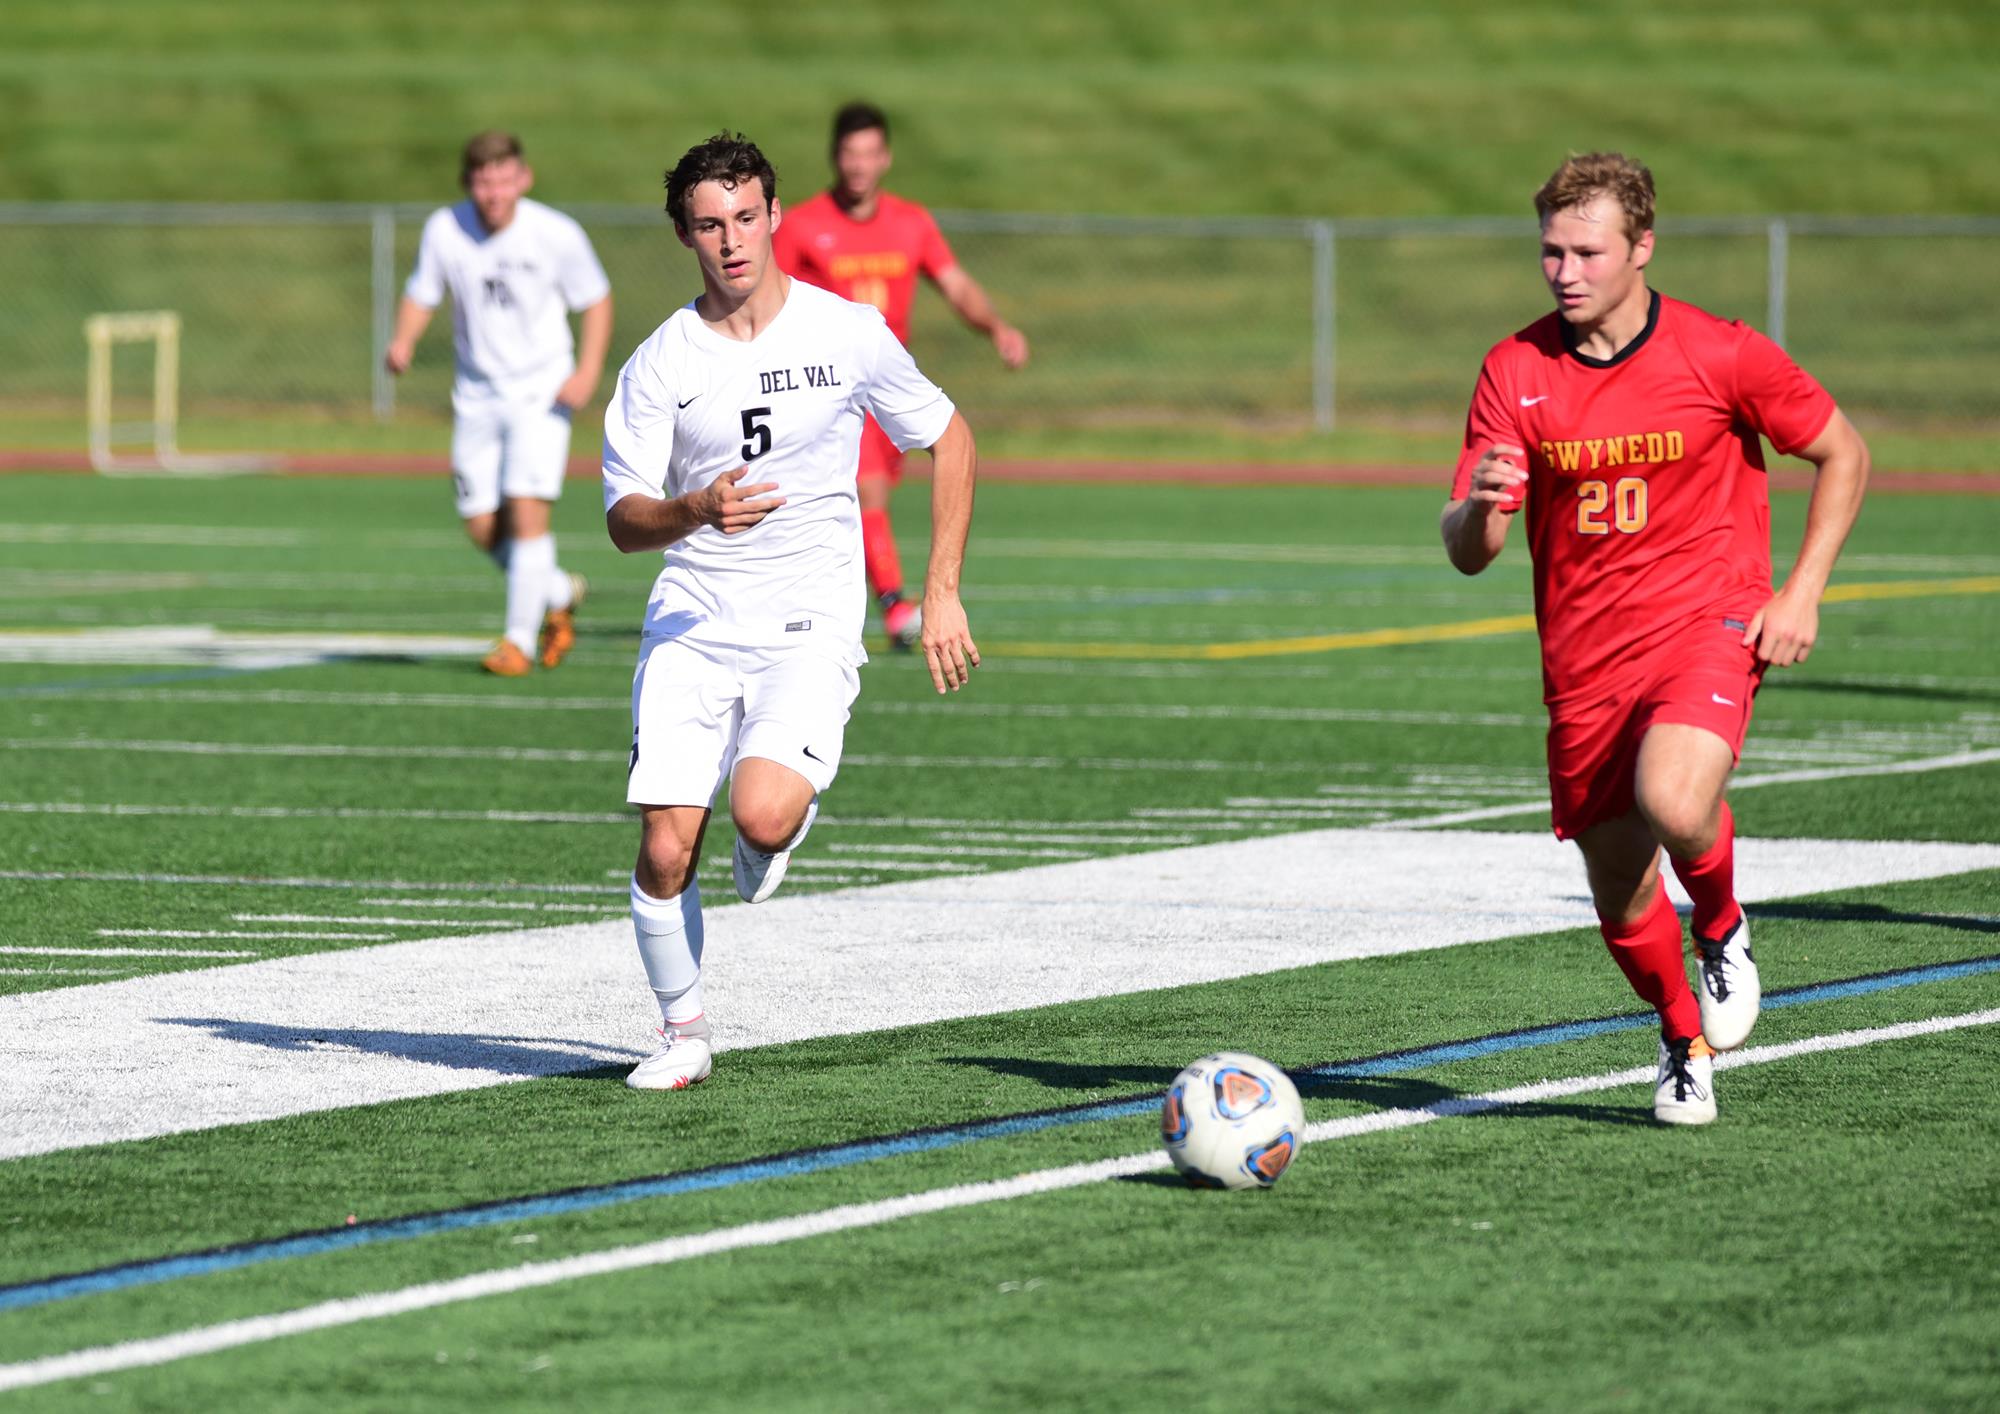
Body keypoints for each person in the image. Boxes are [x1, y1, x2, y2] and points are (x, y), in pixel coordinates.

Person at [1440, 152, 1870, 1125]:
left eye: (1586, 252)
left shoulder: (1720, 352)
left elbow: (1842, 451)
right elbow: (1469, 552)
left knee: (1673, 799)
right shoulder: (1513, 369)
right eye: (1550, 252)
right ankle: (1682, 1040)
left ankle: (1720, 923)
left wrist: (1801, 592)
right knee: (1621, 886)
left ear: (1641, 248)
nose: (1564, 272)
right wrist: (1479, 507)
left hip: (1706, 620)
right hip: (1582, 661)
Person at [601, 132, 981, 1091]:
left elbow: (951, 437)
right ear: (684, 235)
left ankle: (768, 826)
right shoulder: (658, 364)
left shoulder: (845, 332)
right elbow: (623, 519)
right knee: (663, 846)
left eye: (745, 216)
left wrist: (940, 591)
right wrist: (695, 509)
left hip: (809, 616)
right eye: (708, 225)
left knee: (762, 816)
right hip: (694, 615)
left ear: (775, 215)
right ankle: (683, 1034)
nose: (731, 240)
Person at [772, 101, 1026, 651]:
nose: (859, 165)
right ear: (835, 157)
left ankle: (827, 595)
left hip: (890, 385)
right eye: (850, 153)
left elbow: (955, 284)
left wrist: (996, 328)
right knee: (866, 491)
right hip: (830, 387)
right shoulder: (803, 226)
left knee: (871, 495)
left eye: (869, 153)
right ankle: (895, 606)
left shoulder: (911, 223)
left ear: (885, 158)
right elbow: (766, 299)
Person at [385, 130, 614, 676]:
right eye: (484, 183)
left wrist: (586, 371)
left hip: (540, 390)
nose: (494, 193)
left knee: (527, 512)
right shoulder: (445, 229)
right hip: (476, 395)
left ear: (523, 179)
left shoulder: (555, 233)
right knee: (480, 524)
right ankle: (556, 592)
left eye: (504, 180)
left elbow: (596, 299)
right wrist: (403, 341)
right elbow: (422, 292)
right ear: (469, 184)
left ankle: (518, 642)